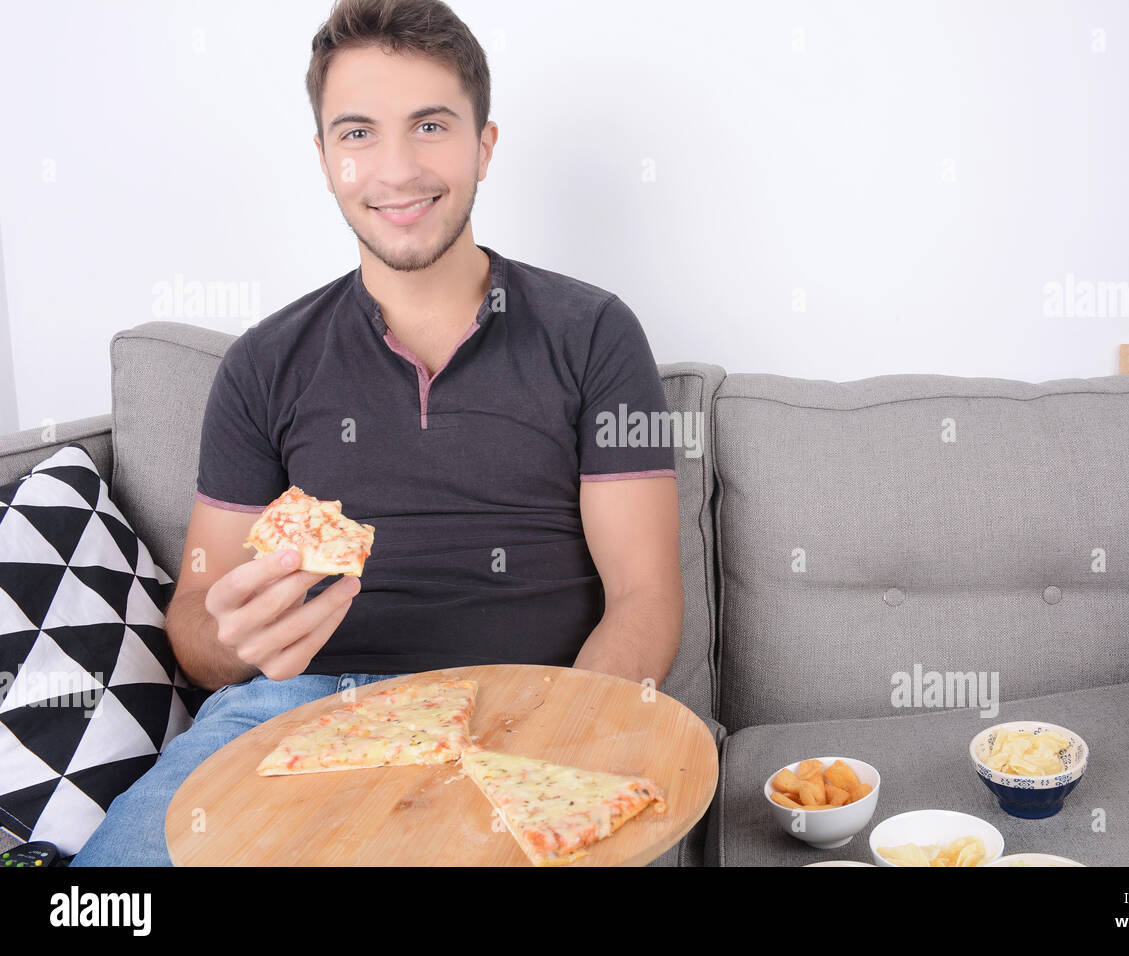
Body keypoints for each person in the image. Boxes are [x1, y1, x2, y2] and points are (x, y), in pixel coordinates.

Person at [72, 0, 683, 866]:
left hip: (528, 709)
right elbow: (201, 641)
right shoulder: (264, 364)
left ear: (485, 144)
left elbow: (646, 602)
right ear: (324, 159)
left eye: (430, 125)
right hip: (301, 709)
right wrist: (232, 637)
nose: (395, 169)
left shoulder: (593, 334)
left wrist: (555, 742)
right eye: (357, 133)